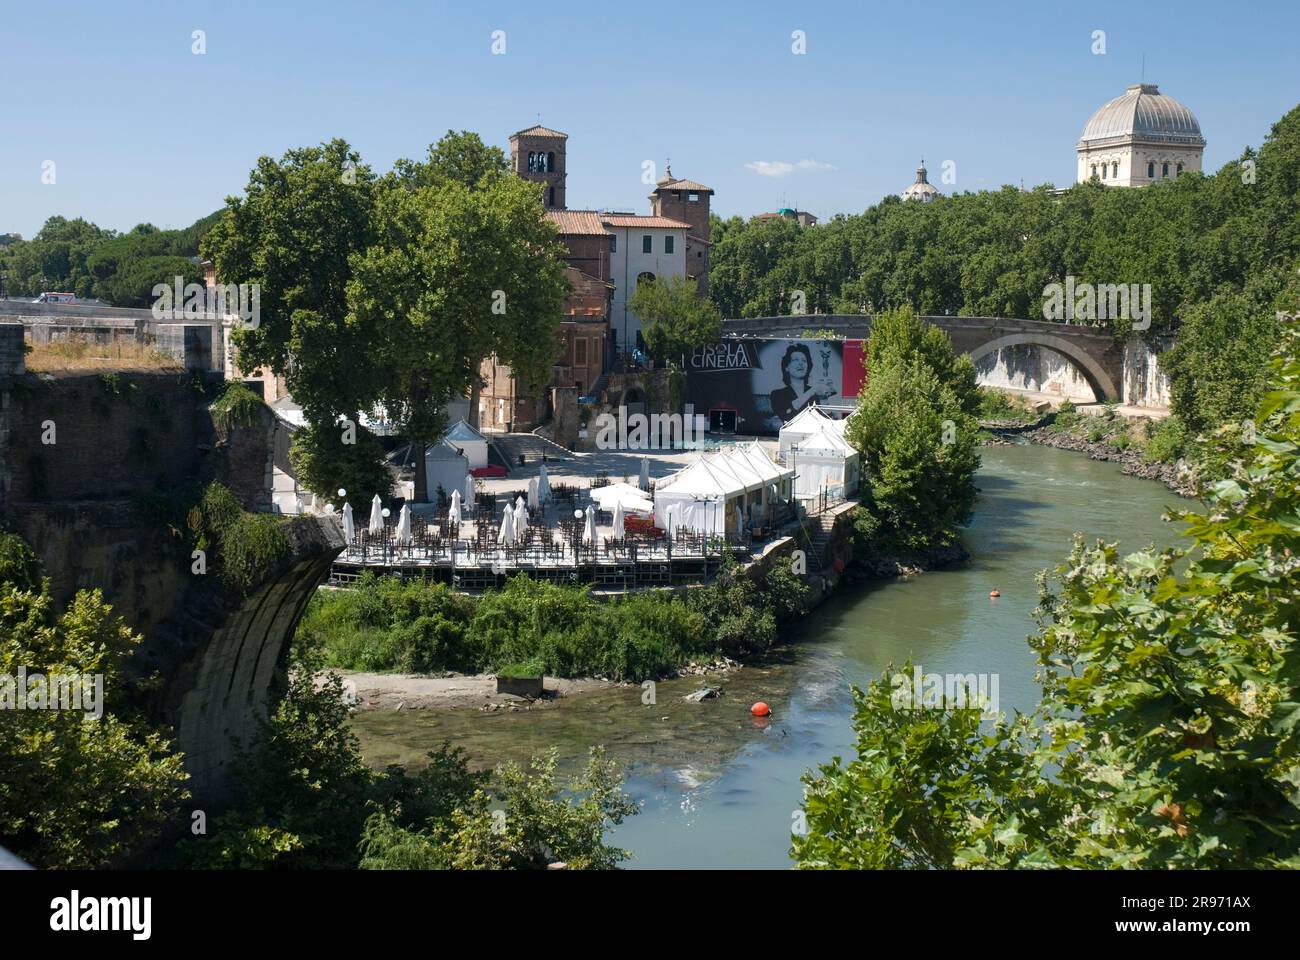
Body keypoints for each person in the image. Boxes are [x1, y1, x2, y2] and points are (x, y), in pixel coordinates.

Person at [768, 343, 825, 422]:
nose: (801, 363)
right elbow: (786, 416)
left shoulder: (814, 394)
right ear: (786, 367)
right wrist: (811, 392)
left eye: (804, 361)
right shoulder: (777, 394)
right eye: (795, 360)